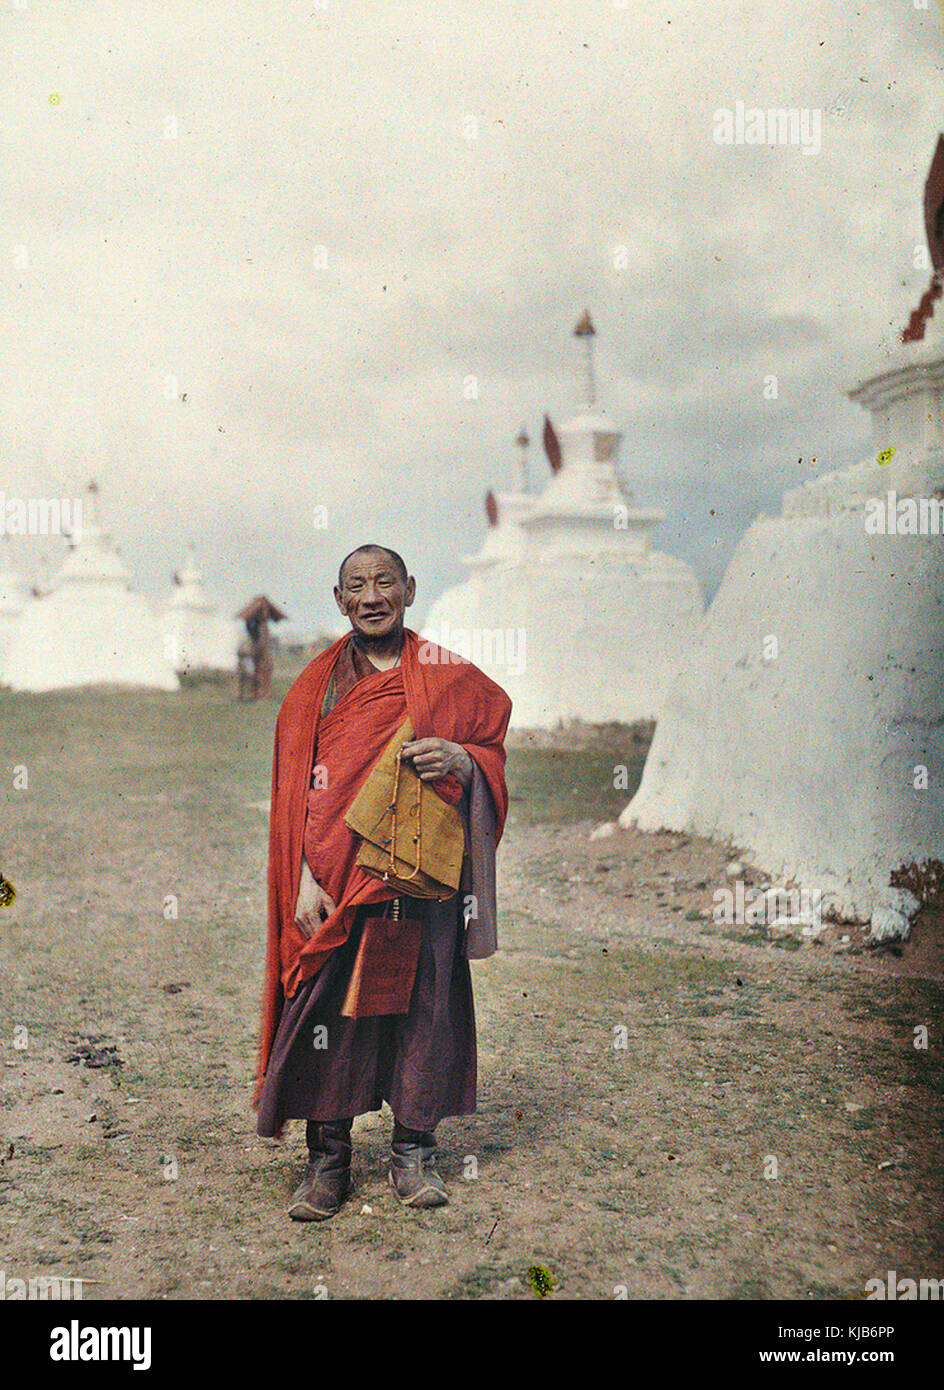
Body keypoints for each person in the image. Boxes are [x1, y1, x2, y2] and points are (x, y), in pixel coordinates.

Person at [253, 544, 512, 1220]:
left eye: (385, 582)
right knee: (328, 1011)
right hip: (338, 875)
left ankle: (412, 1152)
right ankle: (326, 1160)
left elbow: (490, 740)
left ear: (410, 590)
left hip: (423, 875)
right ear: (339, 600)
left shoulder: (447, 676)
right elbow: (292, 798)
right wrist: (304, 877)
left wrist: (462, 757)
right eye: (358, 585)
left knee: (426, 1000)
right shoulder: (317, 688)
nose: (373, 596)